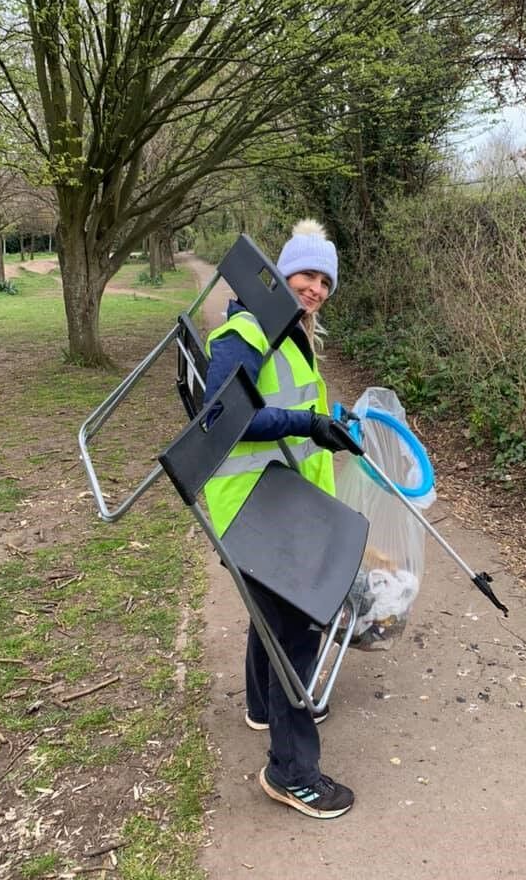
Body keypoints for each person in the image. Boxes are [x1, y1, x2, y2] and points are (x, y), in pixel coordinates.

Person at [202, 219, 360, 819]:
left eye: (325, 280)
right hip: (250, 505)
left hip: (278, 497)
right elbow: (223, 416)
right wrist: (304, 425)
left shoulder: (290, 337)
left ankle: (261, 707)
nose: (315, 287)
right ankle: (292, 773)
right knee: (295, 629)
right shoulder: (245, 331)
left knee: (269, 615)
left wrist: (331, 419)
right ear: (277, 274)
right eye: (306, 274)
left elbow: (297, 408)